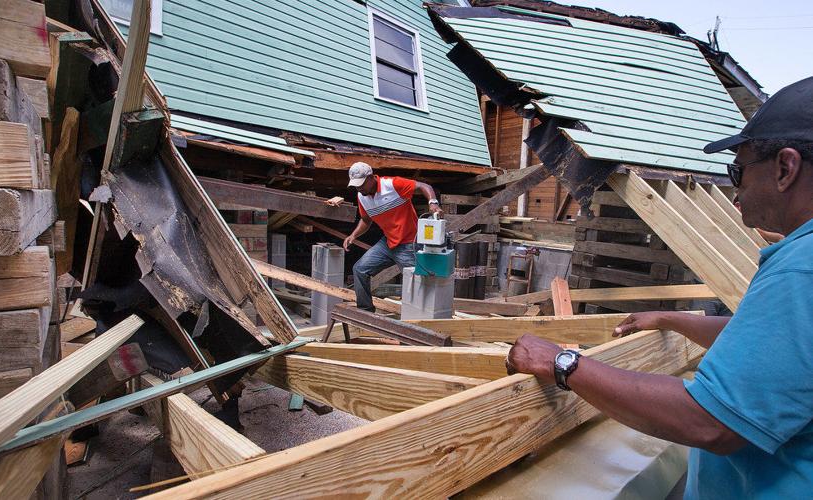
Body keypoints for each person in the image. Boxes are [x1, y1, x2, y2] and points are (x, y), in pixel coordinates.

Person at [506, 76, 813, 498]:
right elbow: (775, 347)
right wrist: (674, 319)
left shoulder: (802, 269)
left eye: (737, 170)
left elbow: (709, 422)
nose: (735, 189)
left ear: (785, 168)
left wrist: (562, 363)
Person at [342, 162, 443, 312]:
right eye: (356, 186)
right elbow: (366, 220)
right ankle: (365, 312)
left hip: (409, 243)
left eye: (361, 184)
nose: (359, 188)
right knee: (359, 269)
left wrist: (433, 202)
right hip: (388, 243)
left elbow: (424, 186)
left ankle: (422, 317)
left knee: (418, 282)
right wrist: (353, 235)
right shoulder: (362, 197)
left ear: (371, 177)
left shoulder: (392, 184)